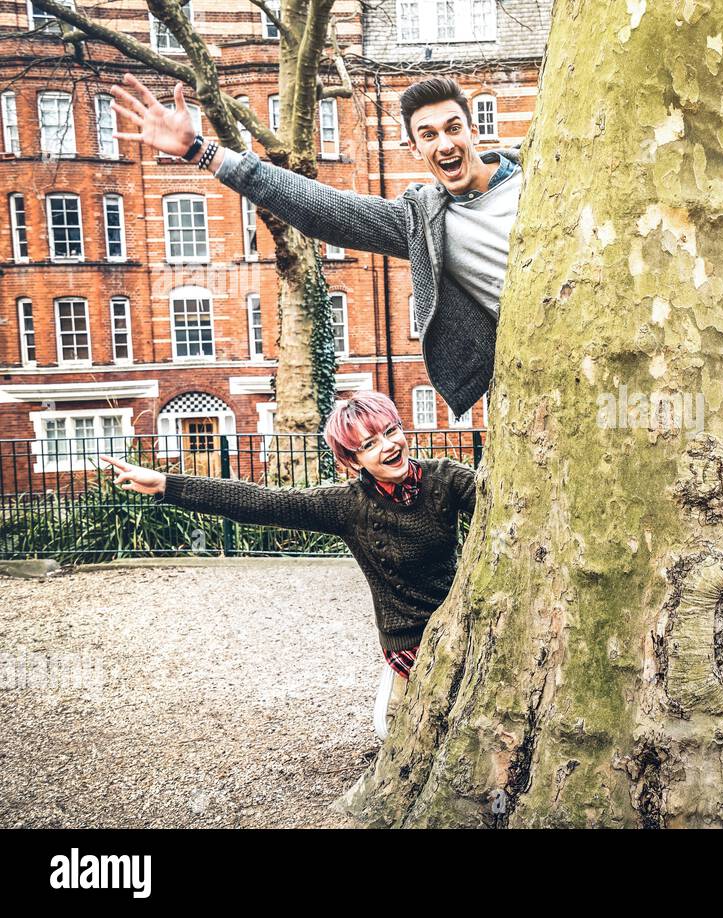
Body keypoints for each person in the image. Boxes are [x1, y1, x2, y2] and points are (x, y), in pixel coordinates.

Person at [109, 73, 516, 418]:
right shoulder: (423, 221)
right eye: (428, 135)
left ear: (472, 130)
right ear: (414, 148)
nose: (444, 144)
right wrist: (201, 151)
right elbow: (325, 210)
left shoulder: (538, 174)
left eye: (452, 128)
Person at [99, 391, 476, 739]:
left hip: (462, 624)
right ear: (352, 460)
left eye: (391, 431)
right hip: (408, 641)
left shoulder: (445, 478)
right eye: (369, 444)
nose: (389, 446)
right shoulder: (348, 505)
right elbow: (263, 502)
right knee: (398, 733)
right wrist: (167, 484)